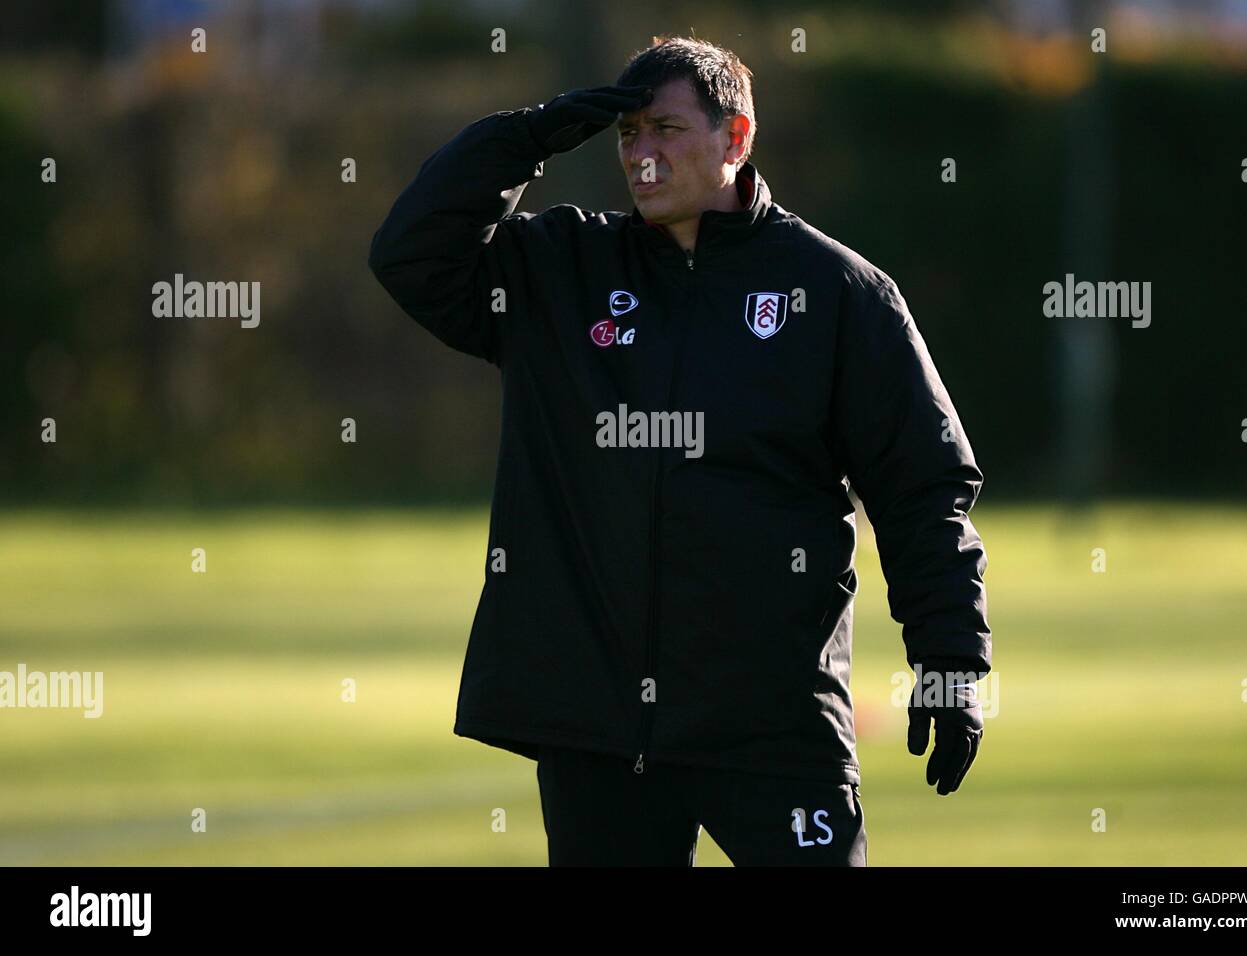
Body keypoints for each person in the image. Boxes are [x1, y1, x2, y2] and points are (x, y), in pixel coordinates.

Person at [368, 35, 991, 866]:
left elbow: (924, 492)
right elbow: (409, 252)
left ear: (736, 139)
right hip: (601, 729)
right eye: (628, 135)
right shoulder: (561, 270)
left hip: (773, 719)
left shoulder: (838, 294)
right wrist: (527, 138)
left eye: (665, 129)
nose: (642, 155)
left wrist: (949, 663)